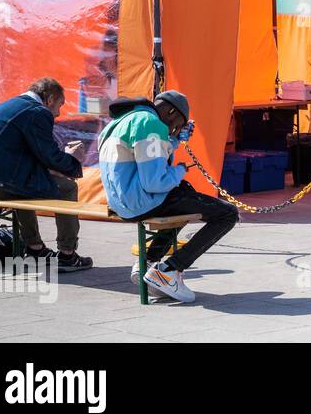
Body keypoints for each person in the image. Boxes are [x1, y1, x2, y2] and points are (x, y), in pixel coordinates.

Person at [98, 90, 239, 303]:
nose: (172, 131)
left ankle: (147, 262)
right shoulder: (150, 124)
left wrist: (172, 141)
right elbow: (154, 182)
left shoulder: (121, 122)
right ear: (171, 112)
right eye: (176, 126)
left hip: (121, 203)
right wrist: (179, 170)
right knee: (227, 214)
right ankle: (169, 270)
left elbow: (147, 155)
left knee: (184, 196)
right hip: (142, 202)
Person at [0, 77, 93, 271]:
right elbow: (48, 155)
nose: (58, 113)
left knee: (25, 187)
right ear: (50, 98)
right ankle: (67, 254)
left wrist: (55, 164)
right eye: (60, 105)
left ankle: (35, 249)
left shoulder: (13, 105)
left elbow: (33, 156)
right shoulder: (37, 112)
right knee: (68, 188)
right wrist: (72, 160)